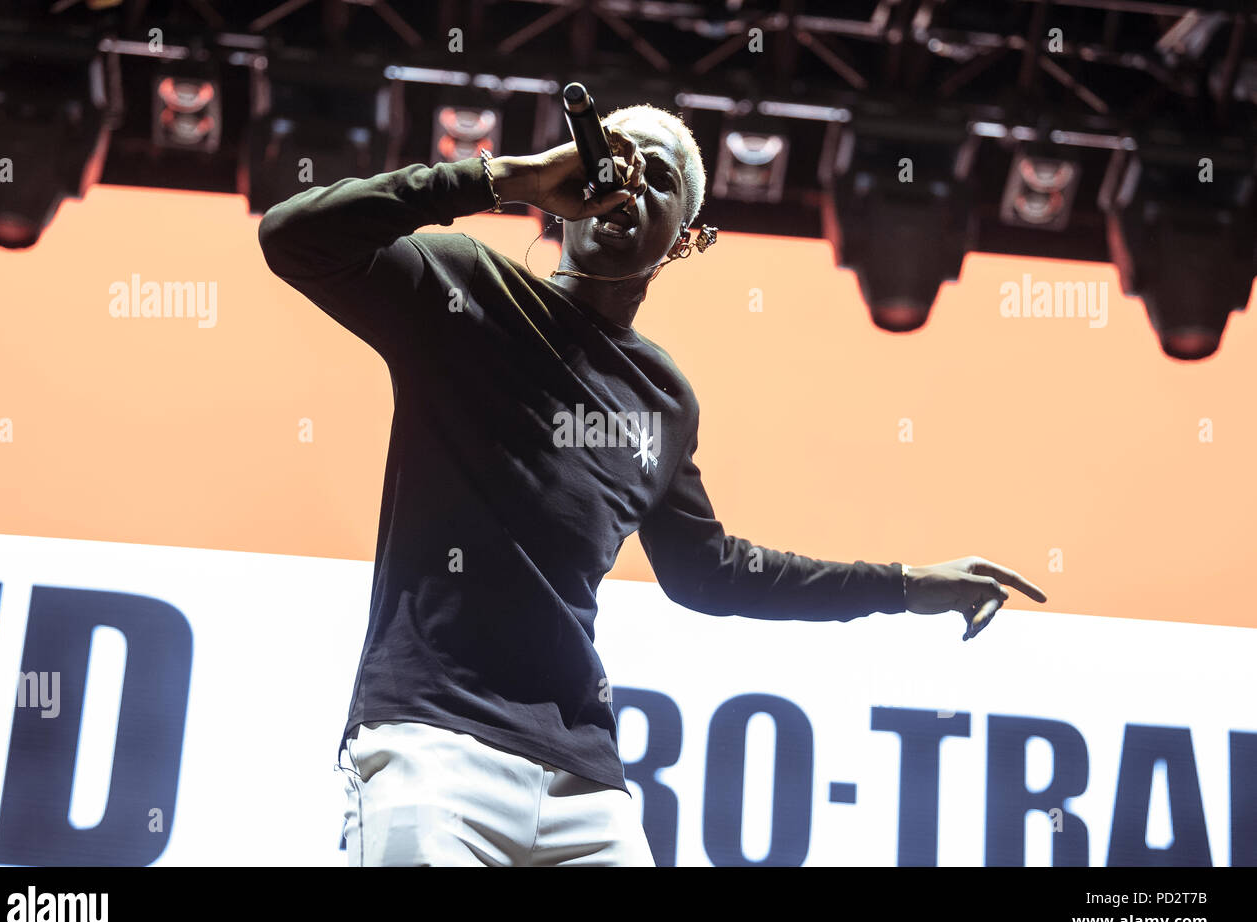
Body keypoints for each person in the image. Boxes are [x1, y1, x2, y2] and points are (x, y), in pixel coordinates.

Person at [257, 104, 1048, 867]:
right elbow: (295, 236)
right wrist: (506, 179)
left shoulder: (664, 399)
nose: (628, 186)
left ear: (688, 239)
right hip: (435, 743)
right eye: (611, 163)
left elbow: (712, 573)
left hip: (585, 786)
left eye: (658, 178)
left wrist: (906, 586)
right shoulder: (465, 289)